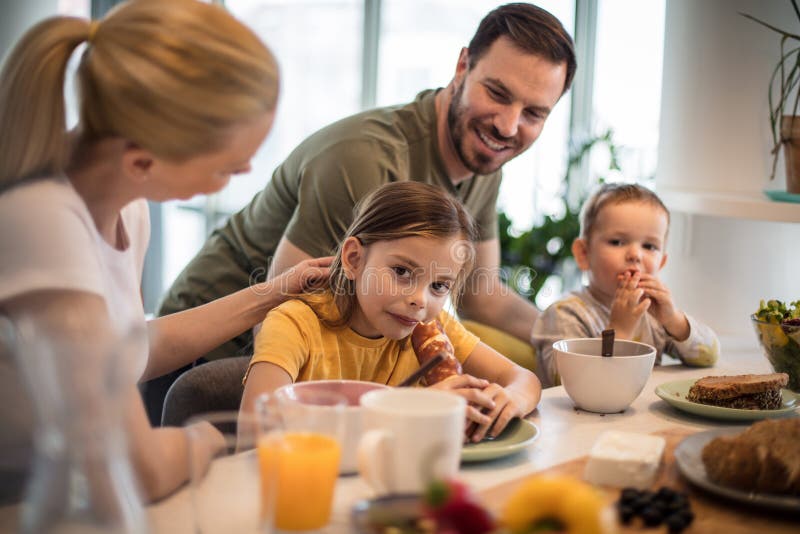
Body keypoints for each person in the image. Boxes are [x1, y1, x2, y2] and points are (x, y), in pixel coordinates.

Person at [154, 3, 577, 412]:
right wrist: (411, 405)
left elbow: (482, 294)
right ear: (463, 65)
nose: (507, 125)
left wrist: (569, 334)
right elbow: (285, 308)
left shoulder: (483, 162)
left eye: (533, 113)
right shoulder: (364, 159)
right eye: (497, 93)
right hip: (211, 355)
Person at [0, 0, 330, 502]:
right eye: (227, 166)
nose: (243, 174)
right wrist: (208, 436)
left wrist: (274, 293)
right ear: (142, 161)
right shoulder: (40, 222)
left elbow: (129, 348)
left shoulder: (128, 207)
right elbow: (141, 471)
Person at [240, 182, 542, 442]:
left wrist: (510, 398)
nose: (419, 300)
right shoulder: (294, 324)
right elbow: (256, 437)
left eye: (438, 286)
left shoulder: (433, 328)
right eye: (401, 271)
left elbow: (522, 378)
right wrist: (414, 406)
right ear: (354, 259)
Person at [530, 183, 720, 388]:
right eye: (617, 242)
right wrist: (619, 331)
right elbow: (569, 384)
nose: (635, 255)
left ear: (661, 263)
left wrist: (674, 321)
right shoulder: (564, 315)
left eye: (649, 246)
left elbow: (709, 357)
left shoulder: (653, 316)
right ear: (584, 254)